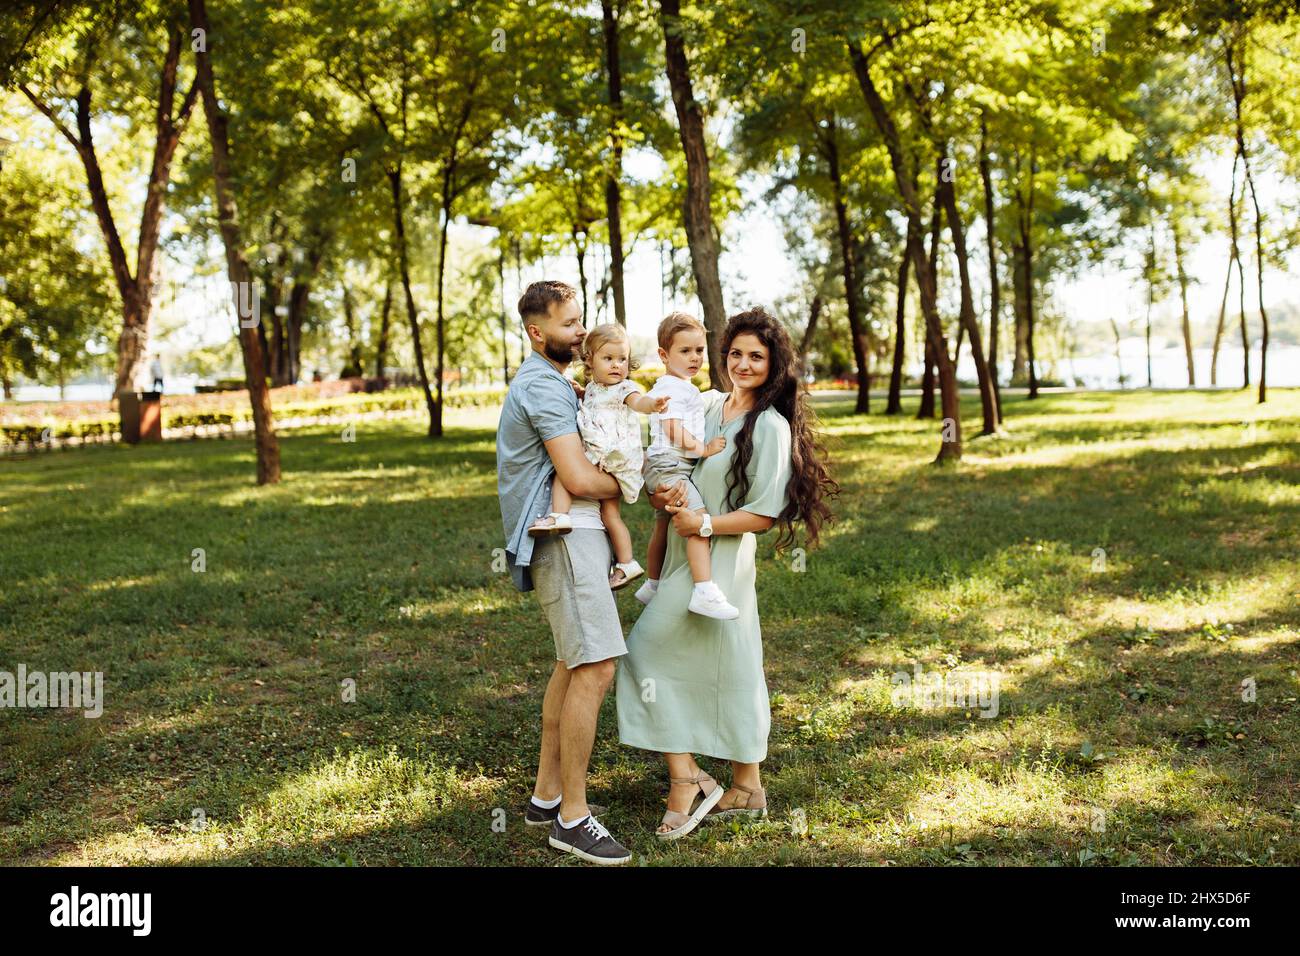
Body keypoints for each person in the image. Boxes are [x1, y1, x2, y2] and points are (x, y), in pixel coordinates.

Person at [616, 307, 837, 841]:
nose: (743, 363)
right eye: (735, 353)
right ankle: (746, 786)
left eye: (755, 356)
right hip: (681, 551)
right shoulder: (709, 405)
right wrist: (661, 492)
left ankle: (685, 778)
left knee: (646, 651)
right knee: (728, 657)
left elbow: (764, 513)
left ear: (774, 364)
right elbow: (671, 457)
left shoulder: (771, 426)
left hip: (719, 558)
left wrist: (705, 521)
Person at [495, 280, 633, 865]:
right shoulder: (545, 390)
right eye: (570, 324)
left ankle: (547, 796)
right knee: (596, 667)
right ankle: (573, 819)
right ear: (536, 331)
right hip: (567, 538)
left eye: (581, 321)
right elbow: (577, 480)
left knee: (571, 662)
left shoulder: (551, 382)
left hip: (575, 535)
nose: (581, 332)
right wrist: (631, 484)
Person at [527, 323, 669, 590]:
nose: (617, 365)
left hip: (611, 454)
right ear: (589, 360)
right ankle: (627, 563)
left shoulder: (625, 388)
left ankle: (559, 515)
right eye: (609, 358)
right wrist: (578, 391)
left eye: (622, 359)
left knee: (564, 473)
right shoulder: (593, 388)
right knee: (610, 515)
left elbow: (638, 402)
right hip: (608, 457)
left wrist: (652, 405)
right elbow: (590, 400)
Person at [636, 312, 736, 620]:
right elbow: (671, 427)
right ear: (664, 355)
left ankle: (652, 585)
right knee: (698, 521)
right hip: (671, 465)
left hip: (662, 465)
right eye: (685, 351)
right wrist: (702, 449)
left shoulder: (677, 385)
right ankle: (704, 590)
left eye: (699, 350)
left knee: (663, 525)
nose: (694, 358)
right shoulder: (674, 389)